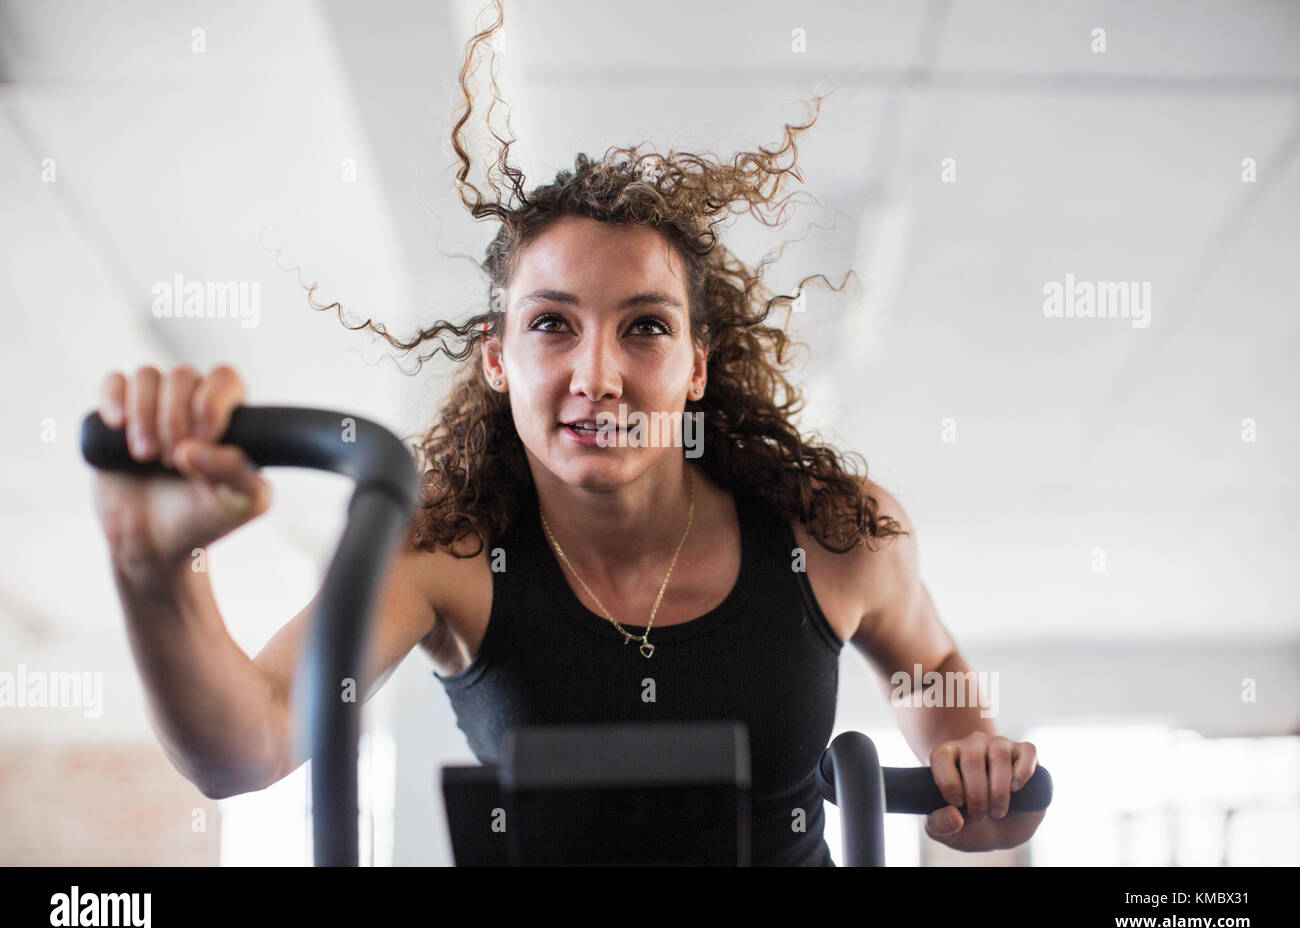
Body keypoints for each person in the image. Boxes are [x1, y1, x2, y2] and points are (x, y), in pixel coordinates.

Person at [90, 0, 1045, 865]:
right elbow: (248, 742)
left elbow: (943, 678)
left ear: (698, 365)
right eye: (551, 324)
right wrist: (154, 571)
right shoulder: (442, 554)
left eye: (646, 326)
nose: (598, 373)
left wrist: (975, 763)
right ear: (497, 360)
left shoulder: (833, 534)